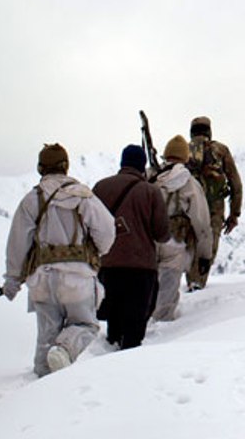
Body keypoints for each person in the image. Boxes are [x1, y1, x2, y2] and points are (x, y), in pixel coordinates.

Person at [3, 143, 116, 377]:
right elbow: (107, 231)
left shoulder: (31, 200)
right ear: (65, 166)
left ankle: (41, 383)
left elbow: (17, 243)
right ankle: (64, 351)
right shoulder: (84, 197)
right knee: (85, 325)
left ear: (40, 168)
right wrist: (97, 252)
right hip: (78, 277)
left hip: (41, 280)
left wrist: (13, 281)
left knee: (46, 337)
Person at [92, 144, 170, 349]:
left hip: (108, 265)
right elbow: (162, 234)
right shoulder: (151, 192)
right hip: (141, 268)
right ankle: (129, 364)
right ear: (142, 165)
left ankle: (108, 358)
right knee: (135, 327)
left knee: (114, 323)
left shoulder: (100, 187)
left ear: (122, 162)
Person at [152, 135, 213, 320]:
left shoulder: (150, 176)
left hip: (150, 238)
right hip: (177, 241)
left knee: (148, 286)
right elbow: (201, 223)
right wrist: (205, 255)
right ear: (186, 157)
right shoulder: (190, 184)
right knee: (168, 292)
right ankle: (163, 330)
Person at [185, 115, 242, 289]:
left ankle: (191, 283)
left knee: (191, 244)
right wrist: (234, 214)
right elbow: (236, 184)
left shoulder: (184, 151)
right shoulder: (221, 150)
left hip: (188, 207)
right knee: (209, 246)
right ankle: (198, 284)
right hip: (214, 208)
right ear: (209, 131)